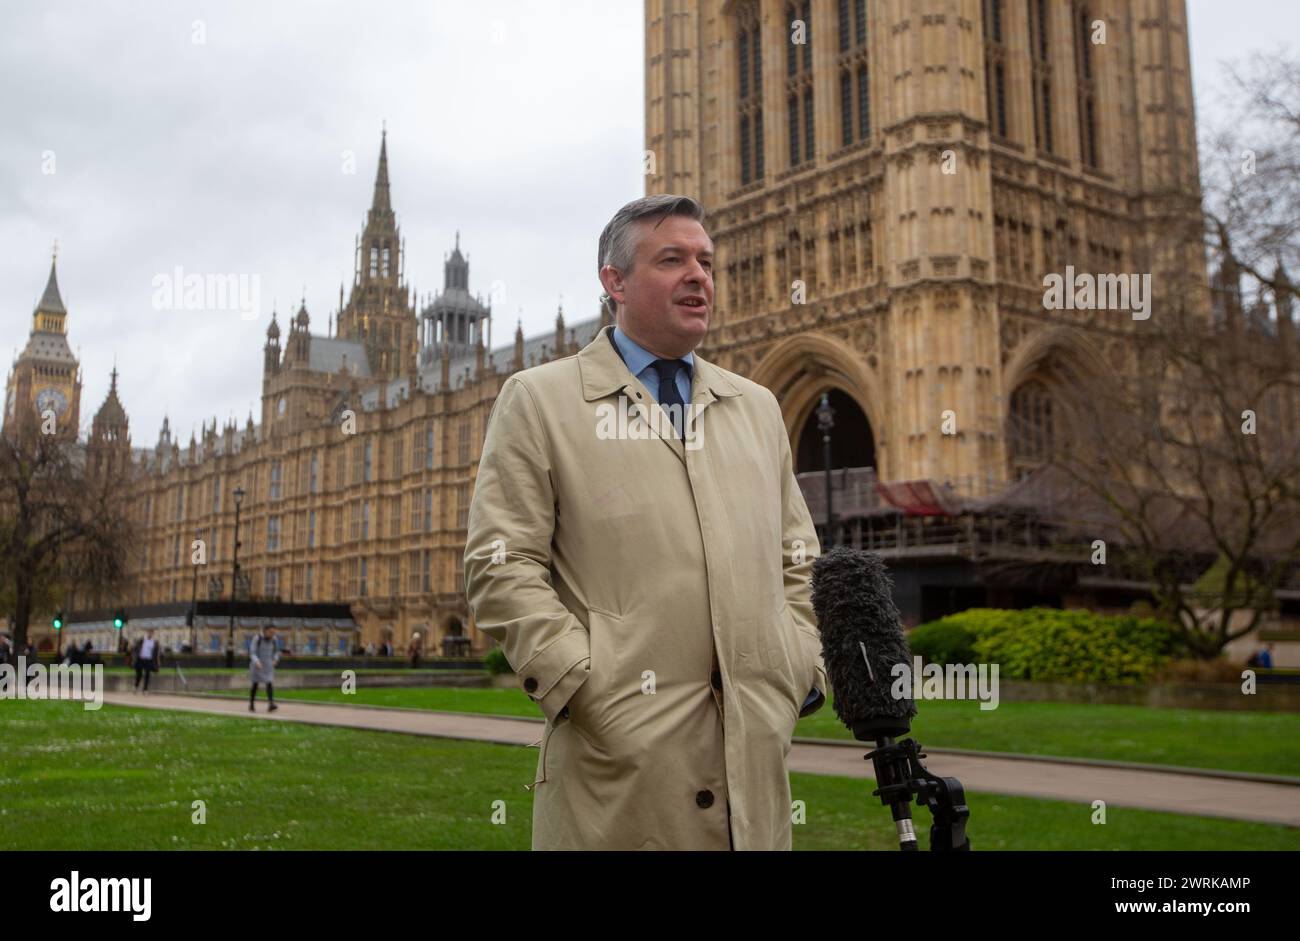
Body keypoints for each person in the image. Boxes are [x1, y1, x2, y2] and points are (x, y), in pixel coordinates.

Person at [464, 195, 827, 851]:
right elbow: (499, 563)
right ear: (615, 281)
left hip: (754, 782)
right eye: (673, 259)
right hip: (617, 792)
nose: (699, 275)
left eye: (706, 261)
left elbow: (798, 557)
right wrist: (584, 689)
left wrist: (795, 668)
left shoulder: (756, 408)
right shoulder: (541, 399)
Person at [249, 625, 280, 712]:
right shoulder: (257, 638)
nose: (272, 634)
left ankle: (271, 704)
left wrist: (275, 659)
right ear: (265, 631)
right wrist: (256, 661)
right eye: (271, 632)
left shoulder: (274, 639)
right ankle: (251, 703)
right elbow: (252, 652)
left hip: (268, 665)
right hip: (257, 666)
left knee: (269, 683)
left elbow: (276, 651)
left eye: (274, 632)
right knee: (255, 685)